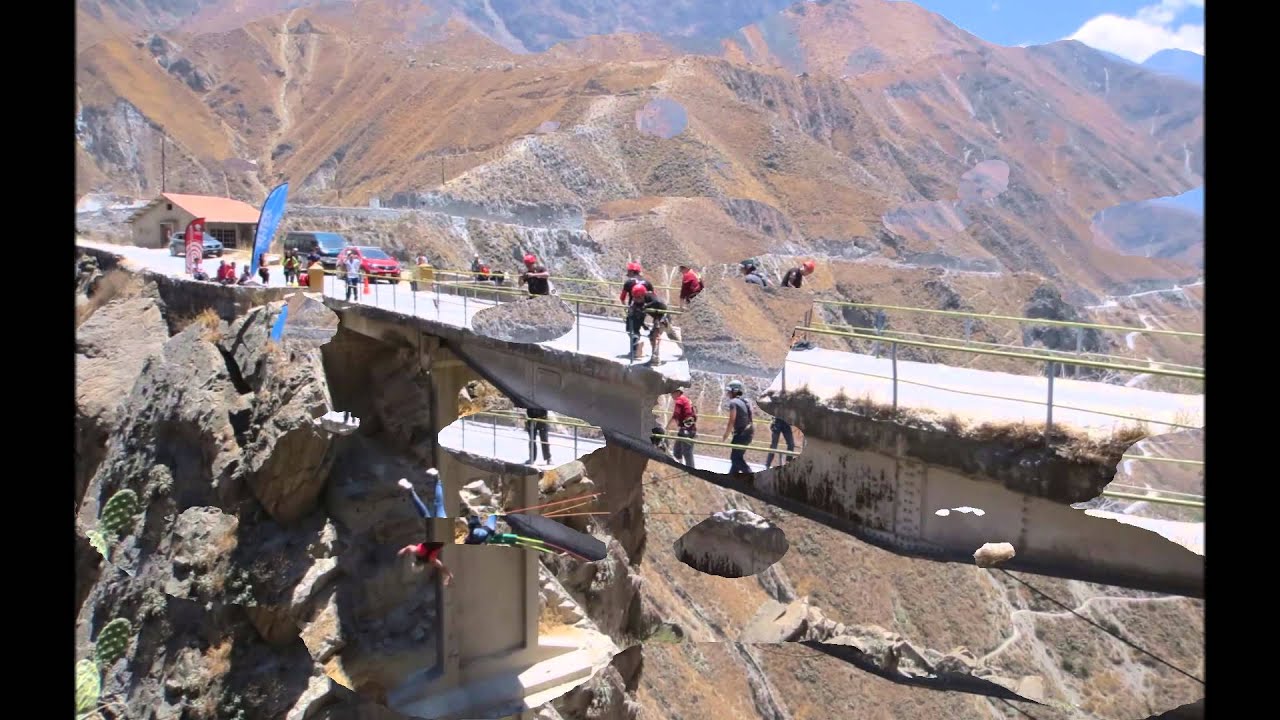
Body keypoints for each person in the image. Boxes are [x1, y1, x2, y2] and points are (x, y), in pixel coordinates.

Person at [396, 474, 453, 586]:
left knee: (439, 505)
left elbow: (442, 567)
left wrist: (449, 574)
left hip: (446, 534)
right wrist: (401, 552)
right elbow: (408, 548)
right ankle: (412, 491)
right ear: (415, 561)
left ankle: (437, 479)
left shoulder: (431, 560)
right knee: (431, 510)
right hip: (436, 530)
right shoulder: (417, 551)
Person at [629, 285, 670, 365]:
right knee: (653, 337)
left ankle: (655, 359)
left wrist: (646, 306)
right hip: (656, 318)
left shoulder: (650, 296)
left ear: (642, 295)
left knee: (667, 335)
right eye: (635, 297)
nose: (636, 299)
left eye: (638, 297)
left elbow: (658, 302)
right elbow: (638, 314)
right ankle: (655, 358)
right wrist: (643, 325)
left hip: (663, 316)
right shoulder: (637, 302)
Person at [721, 380, 755, 476]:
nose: (727, 393)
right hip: (748, 433)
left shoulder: (733, 403)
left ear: (734, 391)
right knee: (737, 458)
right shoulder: (744, 401)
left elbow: (732, 420)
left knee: (735, 458)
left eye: (729, 391)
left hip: (741, 434)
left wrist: (726, 435)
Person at [665, 387, 697, 469]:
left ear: (678, 392)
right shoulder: (686, 399)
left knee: (687, 453)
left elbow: (675, 415)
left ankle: (691, 472)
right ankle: (680, 467)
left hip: (687, 431)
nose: (671, 395)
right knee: (677, 451)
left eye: (672, 393)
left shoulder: (680, 400)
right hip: (687, 429)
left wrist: (666, 428)